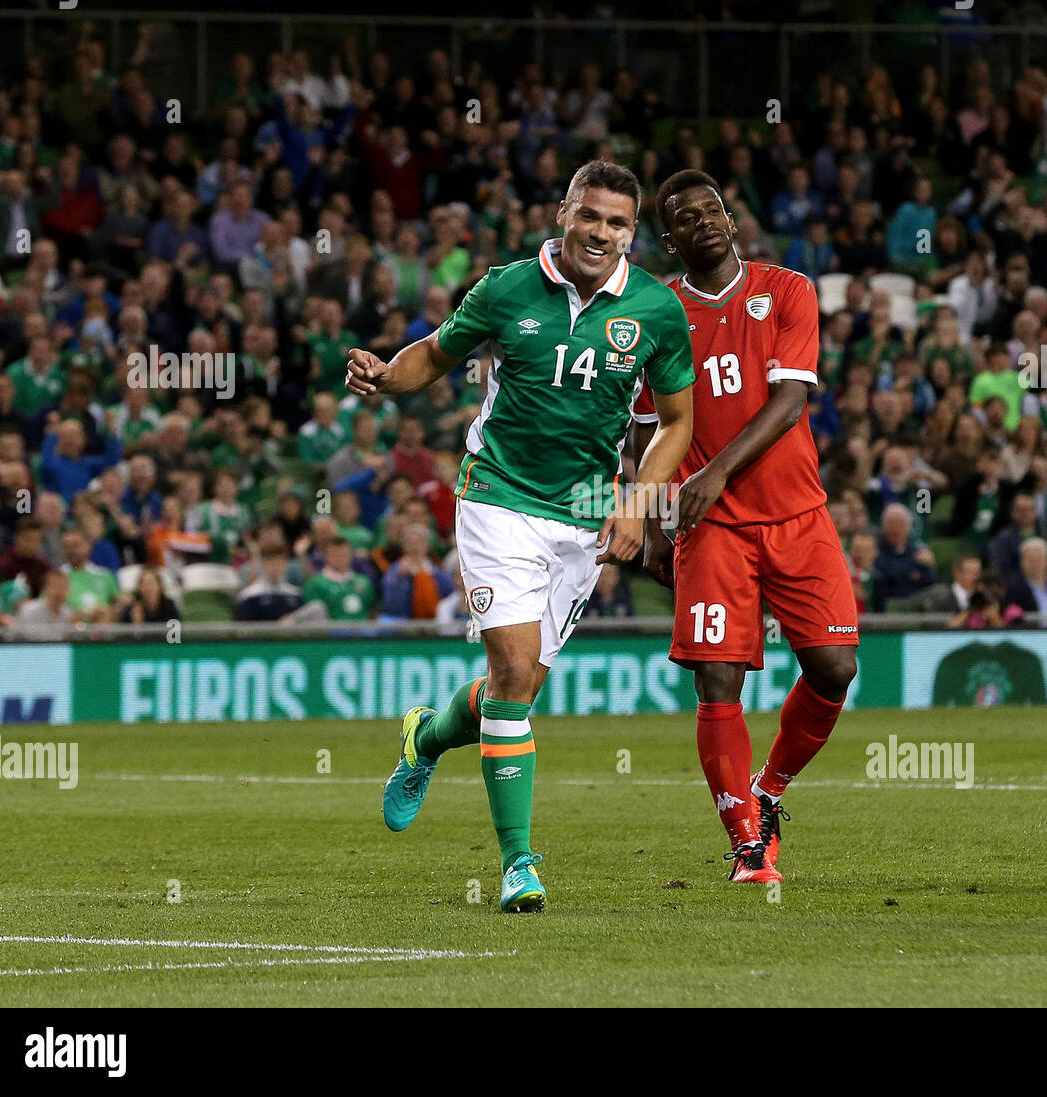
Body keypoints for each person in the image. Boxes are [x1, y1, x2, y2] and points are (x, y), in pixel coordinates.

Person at [345, 160, 694, 913]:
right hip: (498, 495)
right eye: (589, 215)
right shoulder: (505, 287)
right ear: (563, 212)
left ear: (632, 234)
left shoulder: (658, 310)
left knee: (519, 686)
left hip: (584, 513)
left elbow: (677, 422)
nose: (600, 232)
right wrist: (385, 376)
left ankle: (427, 738)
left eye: (617, 223)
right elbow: (434, 357)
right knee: (512, 670)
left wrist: (635, 504)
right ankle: (518, 864)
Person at [632, 169, 857, 885]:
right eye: (685, 218)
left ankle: (770, 790)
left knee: (836, 666)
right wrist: (656, 515)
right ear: (670, 240)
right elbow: (646, 425)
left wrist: (716, 470)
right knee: (717, 681)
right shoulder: (657, 312)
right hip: (714, 526)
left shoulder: (788, 289)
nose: (703, 221)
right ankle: (745, 840)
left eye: (713, 210)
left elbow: (790, 401)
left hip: (797, 511)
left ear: (732, 220)